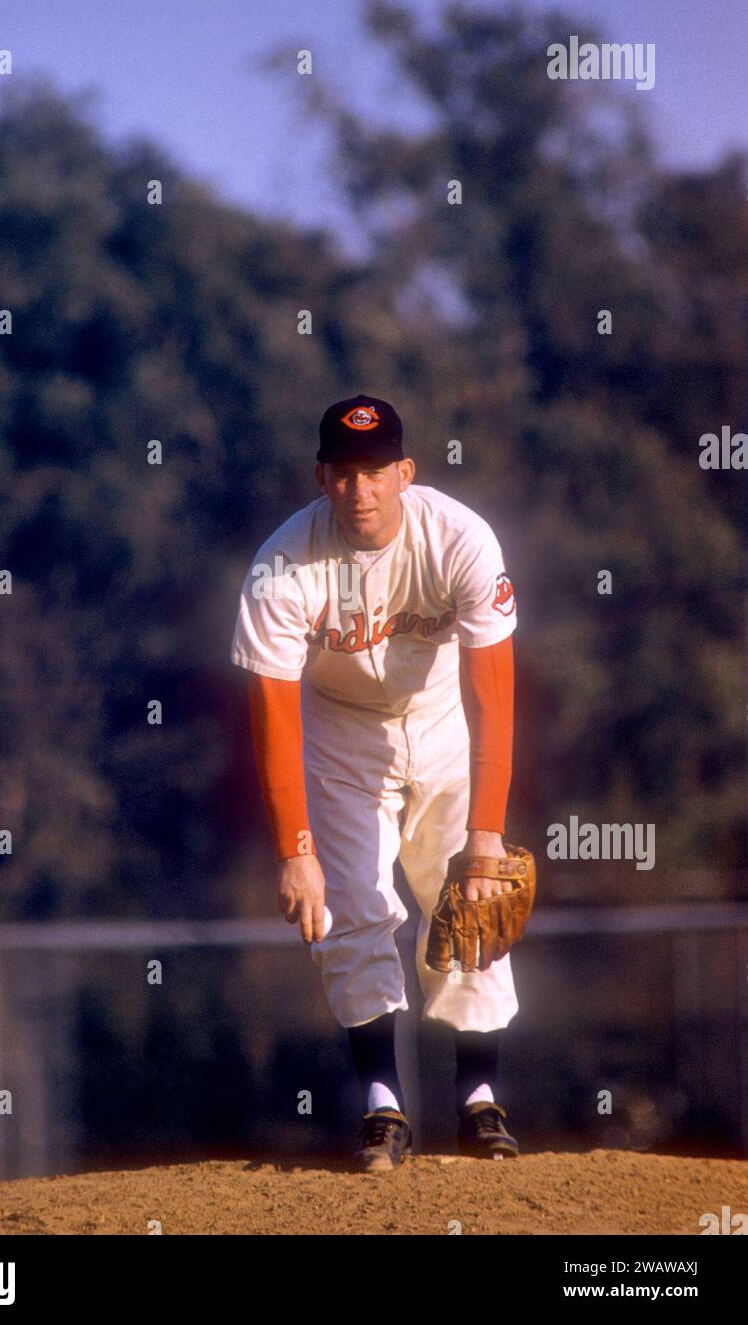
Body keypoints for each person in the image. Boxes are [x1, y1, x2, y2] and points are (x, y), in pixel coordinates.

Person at [230, 395, 522, 1170]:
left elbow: (495, 697)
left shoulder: (459, 537)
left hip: (444, 721)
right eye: (345, 473)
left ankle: (478, 1101)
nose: (361, 490)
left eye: (376, 472)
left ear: (405, 473)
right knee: (356, 904)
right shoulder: (281, 566)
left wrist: (486, 835)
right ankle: (383, 1108)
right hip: (339, 734)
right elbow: (273, 714)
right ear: (322, 477)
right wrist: (296, 849)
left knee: (464, 900)